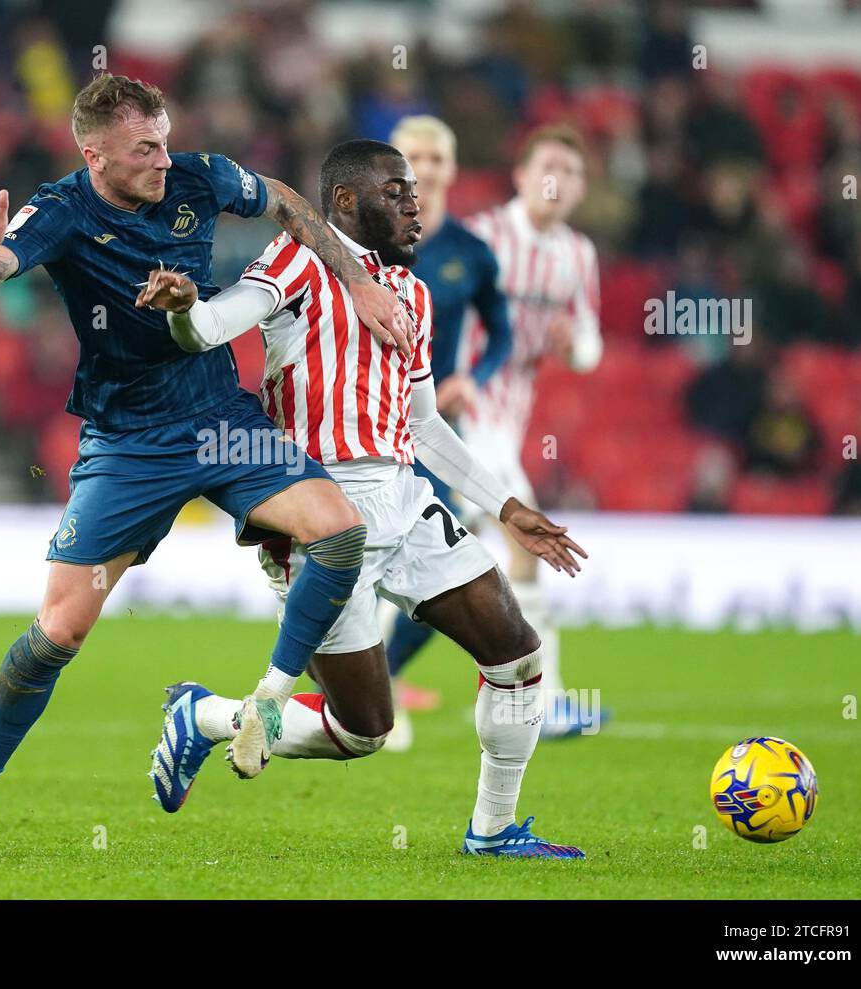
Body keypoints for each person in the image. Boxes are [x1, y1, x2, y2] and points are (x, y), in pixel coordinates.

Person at [0, 74, 412, 856]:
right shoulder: (63, 208)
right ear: (93, 152)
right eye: (145, 148)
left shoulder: (196, 178)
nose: (165, 160)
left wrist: (360, 279)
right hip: (129, 441)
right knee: (59, 631)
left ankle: (267, 699)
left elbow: (284, 201)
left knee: (339, 531)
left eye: (166, 140)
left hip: (218, 420)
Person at [141, 139, 587, 857]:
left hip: (404, 499)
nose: (415, 204)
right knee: (363, 731)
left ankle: (494, 829)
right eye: (397, 191)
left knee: (518, 654)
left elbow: (423, 425)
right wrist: (184, 310)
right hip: (319, 510)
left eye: (415, 191)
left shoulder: (410, 292)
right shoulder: (296, 260)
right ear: (345, 201)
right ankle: (207, 715)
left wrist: (506, 507)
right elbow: (215, 326)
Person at [395, 124, 605, 739]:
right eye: (547, 167)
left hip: (509, 420)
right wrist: (456, 376)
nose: (556, 182)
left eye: (569, 173)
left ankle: (383, 675)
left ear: (581, 187)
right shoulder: (484, 237)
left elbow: (590, 344)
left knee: (445, 559)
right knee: (523, 540)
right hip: (461, 417)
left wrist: (575, 347)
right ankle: (546, 700)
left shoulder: (578, 255)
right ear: (520, 175)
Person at [382, 115, 514, 750]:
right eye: (414, 156)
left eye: (437, 158)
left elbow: (503, 331)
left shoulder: (470, 252)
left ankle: (374, 681)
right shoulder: (360, 245)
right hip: (364, 426)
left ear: (452, 169)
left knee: (451, 568)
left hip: (429, 425)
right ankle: (344, 690)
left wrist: (474, 376)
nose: (426, 169)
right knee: (351, 558)